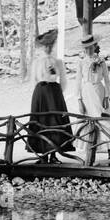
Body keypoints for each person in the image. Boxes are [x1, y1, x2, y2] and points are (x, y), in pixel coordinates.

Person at [27, 28, 75, 165]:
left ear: (53, 46)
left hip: (54, 94)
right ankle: (42, 155)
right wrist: (39, 93)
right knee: (41, 122)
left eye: (50, 45)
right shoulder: (37, 62)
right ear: (42, 47)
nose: (48, 48)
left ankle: (53, 154)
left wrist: (57, 93)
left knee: (54, 122)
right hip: (41, 93)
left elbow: (64, 80)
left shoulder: (58, 62)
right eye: (45, 46)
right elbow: (34, 80)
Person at [77, 33, 110, 166]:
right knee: (89, 123)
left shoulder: (101, 62)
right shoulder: (82, 62)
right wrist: (79, 100)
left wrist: (107, 96)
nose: (89, 50)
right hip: (87, 93)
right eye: (86, 48)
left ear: (95, 46)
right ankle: (90, 154)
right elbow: (78, 82)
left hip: (99, 92)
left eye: (91, 47)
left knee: (105, 120)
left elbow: (107, 80)